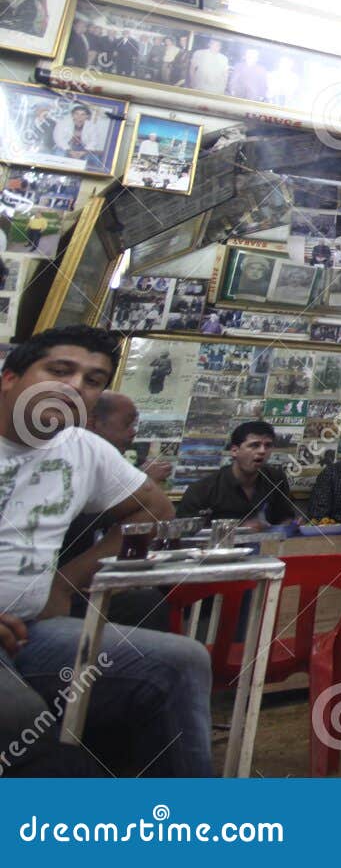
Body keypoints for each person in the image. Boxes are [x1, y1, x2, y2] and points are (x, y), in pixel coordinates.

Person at [0, 327, 213, 777]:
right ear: (10, 377)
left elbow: (154, 510)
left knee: (179, 662)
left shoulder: (82, 450)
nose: (76, 386)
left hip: (30, 633)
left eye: (93, 380)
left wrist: (66, 581)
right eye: (60, 370)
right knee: (18, 719)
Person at [50, 391, 175, 626]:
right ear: (93, 422)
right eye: (127, 423)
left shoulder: (103, 465)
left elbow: (159, 510)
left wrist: (65, 584)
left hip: (69, 591)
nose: (133, 432)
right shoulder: (63, 460)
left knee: (146, 603)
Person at [175, 421, 294, 527]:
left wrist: (290, 525)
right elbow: (185, 532)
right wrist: (240, 529)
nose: (262, 451)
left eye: (268, 445)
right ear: (234, 451)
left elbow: (285, 517)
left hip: (266, 547)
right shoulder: (203, 489)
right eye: (254, 445)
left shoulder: (276, 479)